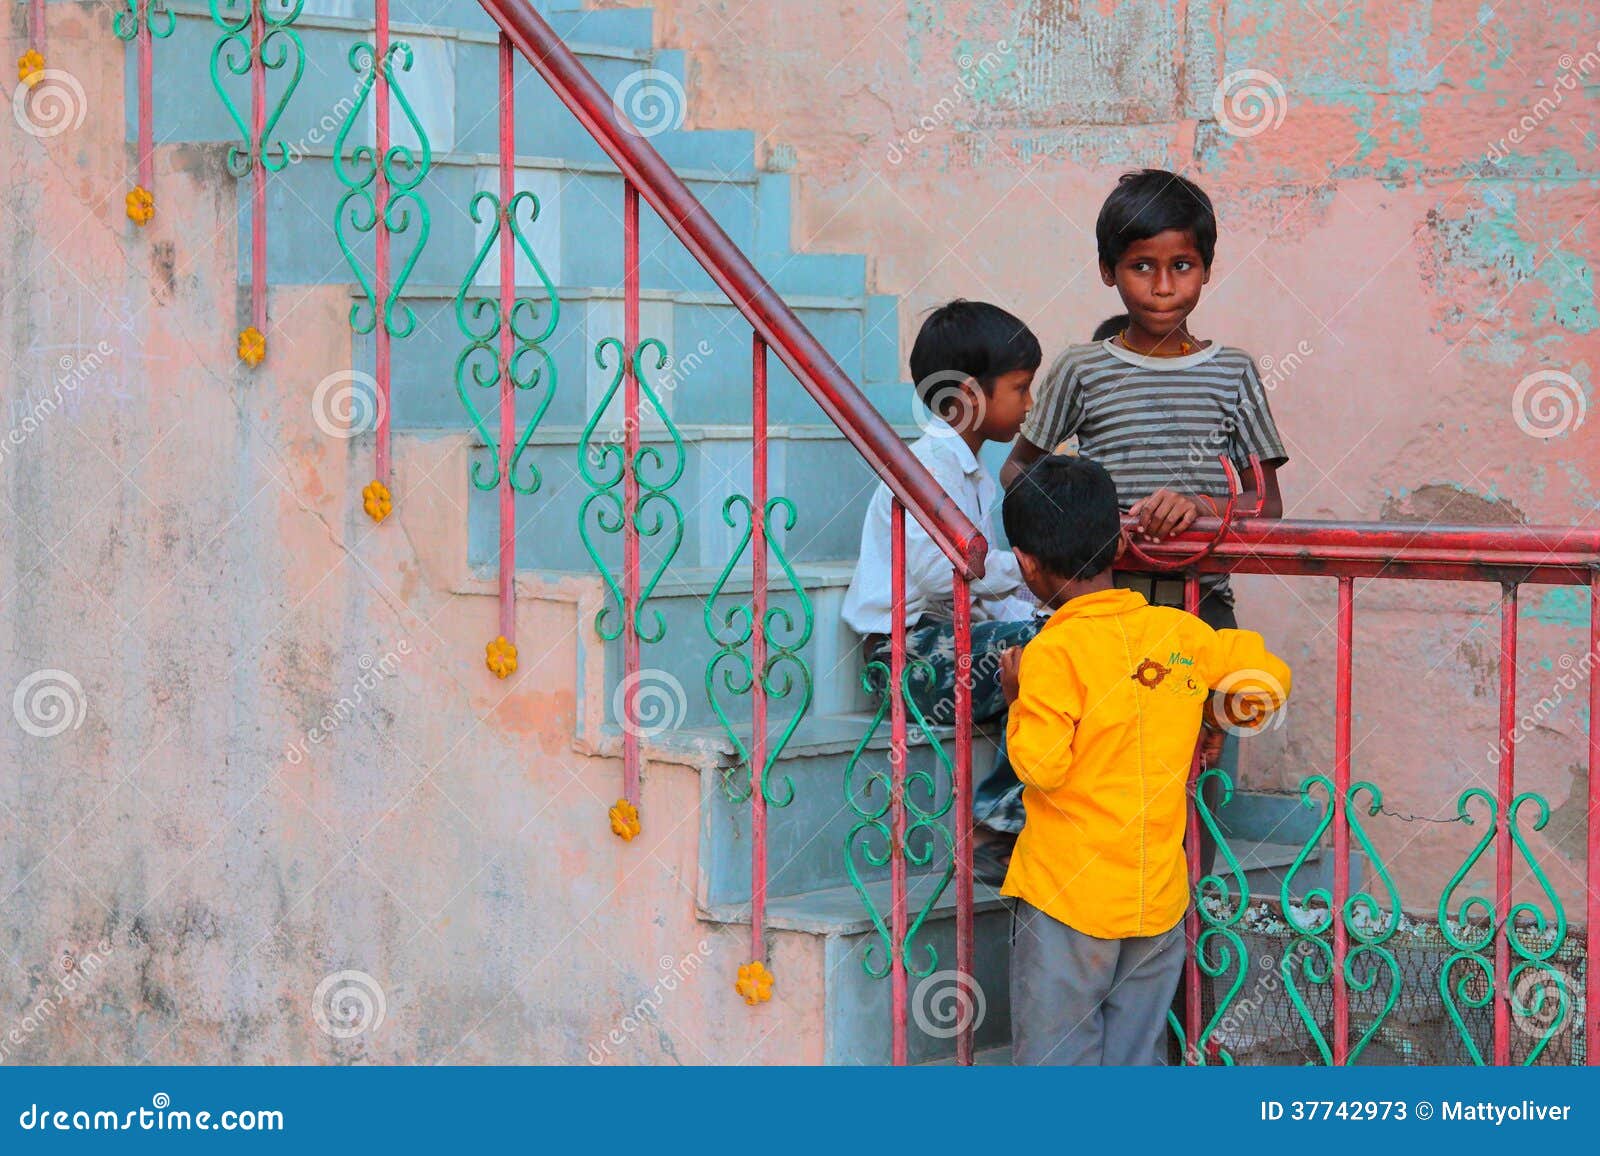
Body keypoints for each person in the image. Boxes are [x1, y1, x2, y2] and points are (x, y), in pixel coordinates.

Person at [985, 167, 1290, 864]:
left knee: (1195, 783)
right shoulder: (1081, 369)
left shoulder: (1233, 372)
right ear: (1107, 272)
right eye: (1140, 266)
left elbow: (1264, 505)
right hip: (1098, 611)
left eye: (1181, 265)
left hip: (1199, 613)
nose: (1162, 285)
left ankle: (1186, 948)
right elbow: (1019, 472)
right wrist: (1089, 523)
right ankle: (1083, 916)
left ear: (1206, 270)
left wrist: (1202, 507)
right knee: (1095, 781)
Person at [996, 455, 1291, 1065]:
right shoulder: (1180, 635)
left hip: (1066, 901)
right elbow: (1264, 682)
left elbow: (1041, 765)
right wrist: (1214, 715)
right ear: (1117, 540)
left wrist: (1019, 700)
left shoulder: (1052, 653)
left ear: (1026, 563)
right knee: (1136, 1058)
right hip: (1155, 897)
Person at [841, 301, 1046, 883]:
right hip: (904, 661)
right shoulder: (929, 464)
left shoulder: (968, 470)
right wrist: (1026, 569)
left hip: (940, 643)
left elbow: (980, 593)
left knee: (1060, 638)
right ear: (970, 396)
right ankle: (995, 825)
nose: (1029, 405)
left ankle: (1012, 817)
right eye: (1021, 388)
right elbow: (943, 574)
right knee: (1050, 651)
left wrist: (1035, 603)